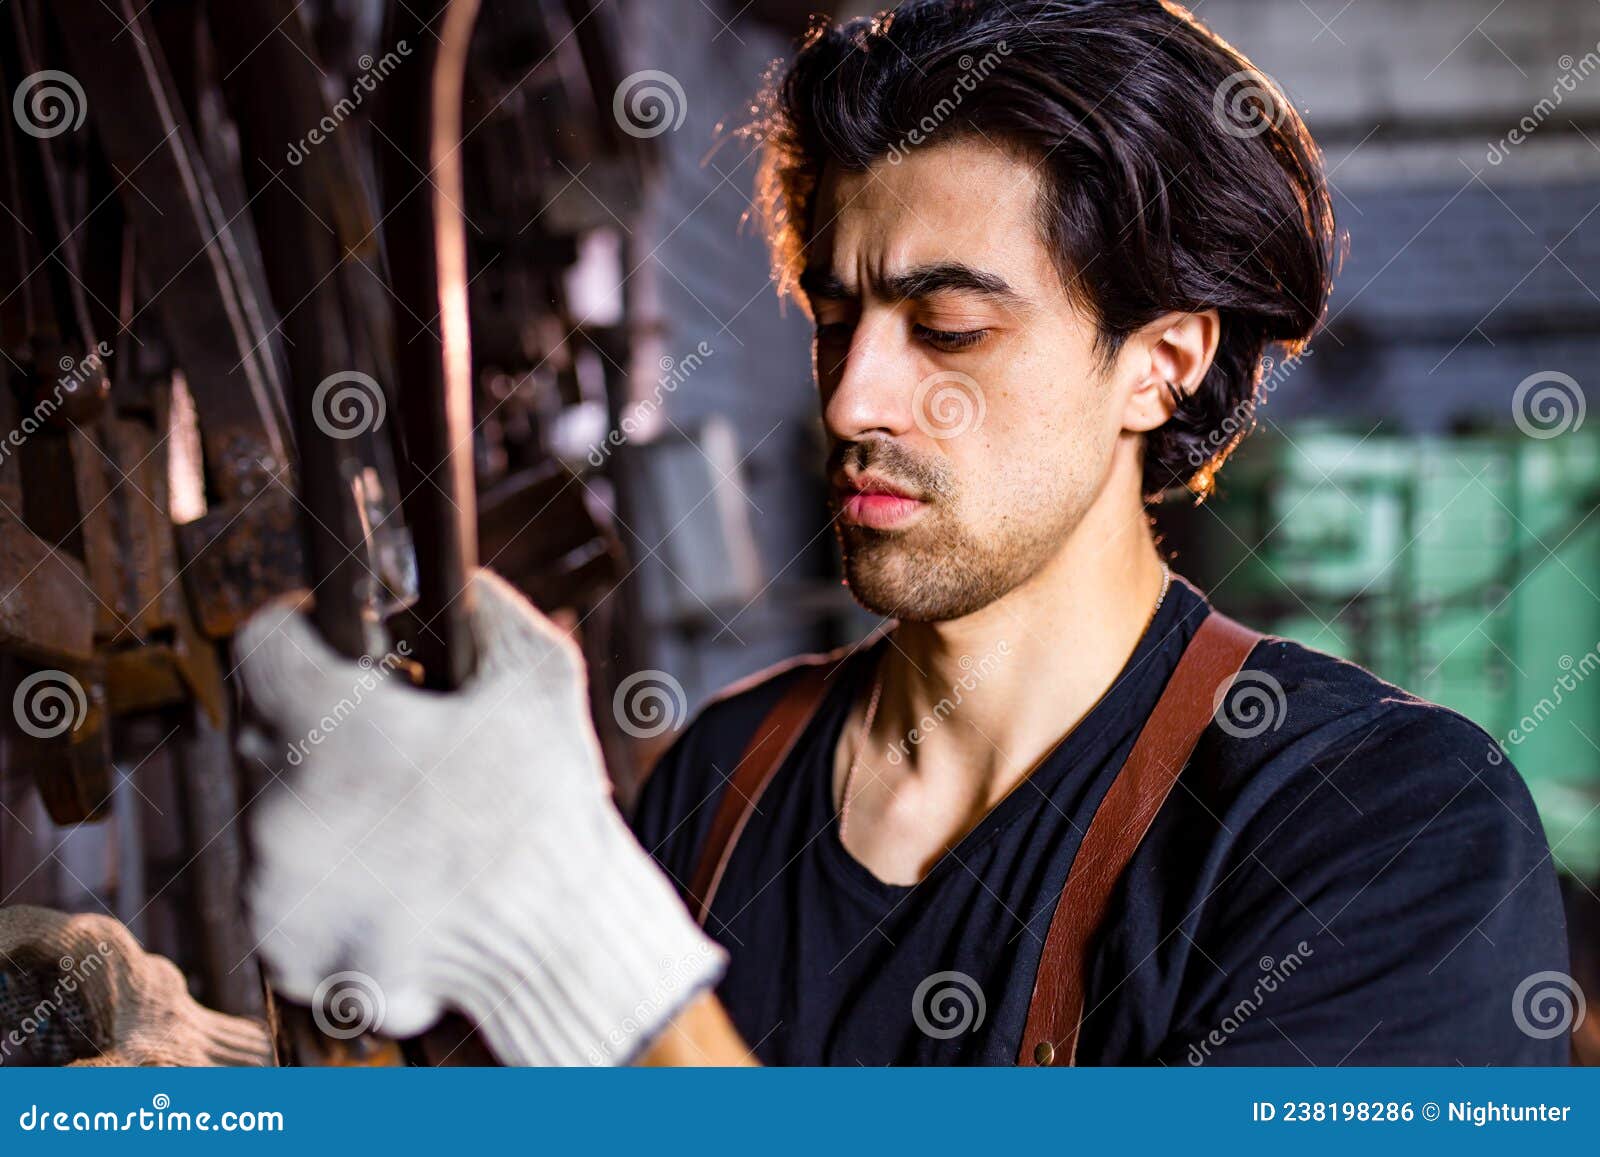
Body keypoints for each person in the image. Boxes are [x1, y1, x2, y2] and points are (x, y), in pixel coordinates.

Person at [236, 0, 1570, 1066]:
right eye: (837, 321)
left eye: (949, 326)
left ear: (1161, 361)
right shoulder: (726, 780)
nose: (857, 399)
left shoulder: (1383, 826)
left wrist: (590, 953)